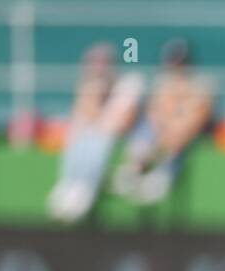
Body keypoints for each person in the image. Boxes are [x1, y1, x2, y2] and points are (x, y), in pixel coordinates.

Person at [47, 43, 145, 223]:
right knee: (80, 138)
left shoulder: (128, 86)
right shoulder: (89, 86)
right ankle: (70, 184)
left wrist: (103, 122)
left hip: (117, 138)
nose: (99, 70)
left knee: (98, 143)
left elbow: (123, 122)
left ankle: (85, 189)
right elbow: (85, 114)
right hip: (94, 135)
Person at [112, 38, 214, 204]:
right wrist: (164, 129)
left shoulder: (201, 85)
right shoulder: (163, 84)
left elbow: (196, 119)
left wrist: (173, 131)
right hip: (162, 137)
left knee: (176, 142)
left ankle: (162, 174)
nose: (174, 65)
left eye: (178, 61)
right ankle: (137, 169)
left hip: (183, 139)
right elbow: (155, 112)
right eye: (172, 61)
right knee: (146, 130)